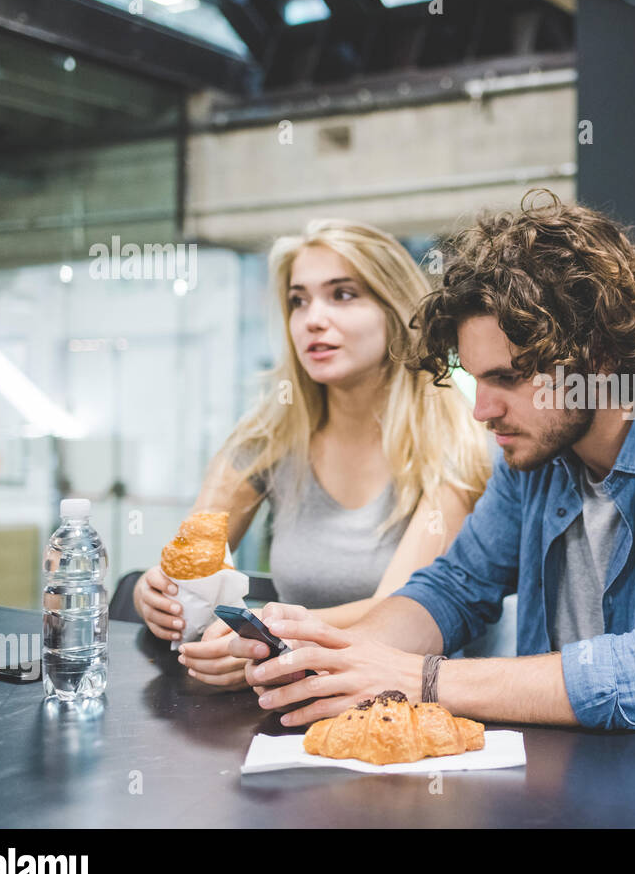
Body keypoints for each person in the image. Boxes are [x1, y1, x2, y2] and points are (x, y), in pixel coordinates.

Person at [230, 191, 635, 728]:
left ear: (598, 361)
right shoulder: (539, 456)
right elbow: (455, 589)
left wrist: (421, 680)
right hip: (575, 785)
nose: (480, 411)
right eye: (474, 378)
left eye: (509, 378)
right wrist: (333, 659)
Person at [133, 220, 492, 689]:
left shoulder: (456, 440)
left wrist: (268, 638)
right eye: (298, 301)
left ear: (395, 309)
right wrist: (157, 593)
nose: (313, 319)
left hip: (416, 707)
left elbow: (405, 606)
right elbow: (193, 563)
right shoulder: (267, 438)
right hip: (291, 699)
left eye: (342, 295)